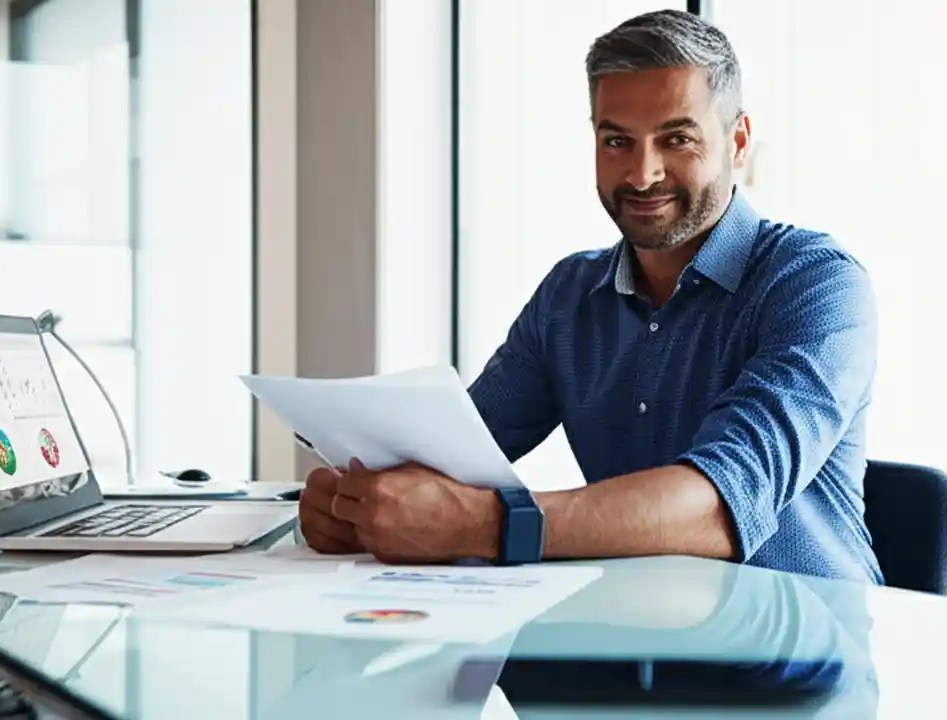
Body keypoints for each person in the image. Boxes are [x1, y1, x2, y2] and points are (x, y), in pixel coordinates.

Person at [300, 9, 883, 583]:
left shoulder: (816, 284)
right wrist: (363, 504)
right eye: (617, 141)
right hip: (626, 644)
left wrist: (486, 525)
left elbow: (721, 505)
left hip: (805, 651)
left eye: (676, 138)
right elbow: (456, 463)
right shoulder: (570, 296)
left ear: (738, 140)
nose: (642, 174)